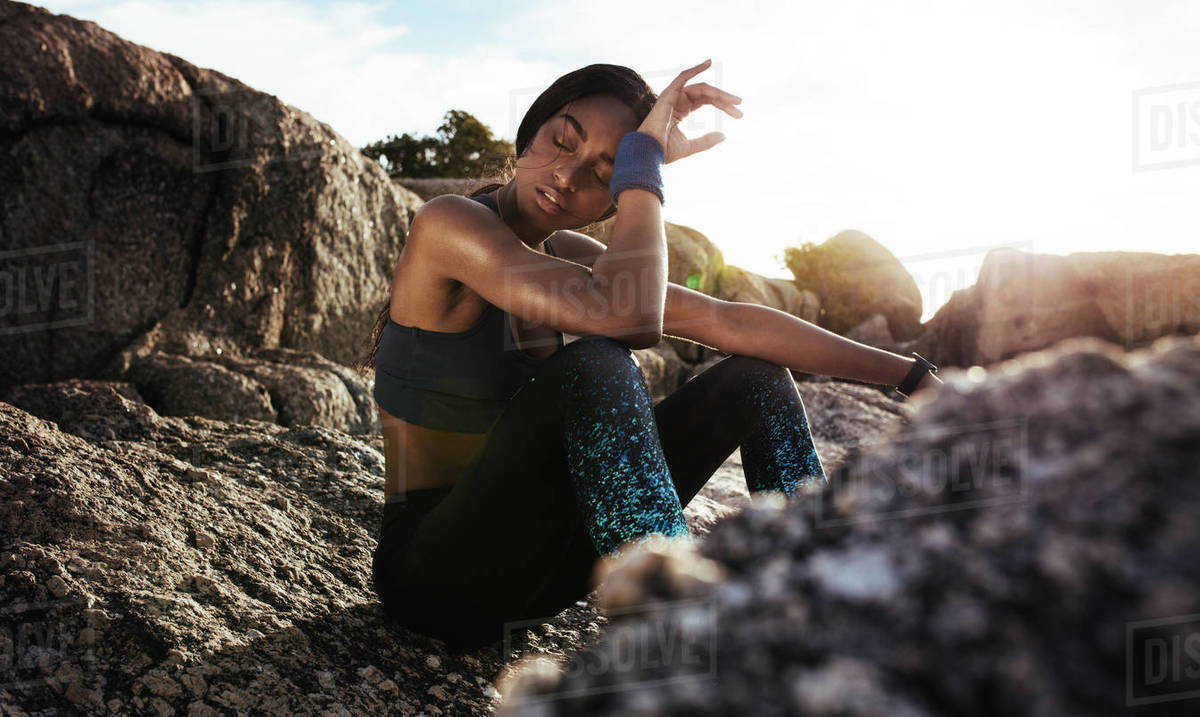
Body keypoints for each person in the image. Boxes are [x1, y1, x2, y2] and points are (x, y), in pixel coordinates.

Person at [355, 59, 942, 649]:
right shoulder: (449, 225)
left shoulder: (572, 255)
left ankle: (824, 607)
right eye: (562, 141)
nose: (565, 176)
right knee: (598, 366)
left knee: (756, 381)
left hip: (540, 577)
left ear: (611, 202)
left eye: (602, 171)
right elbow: (632, 319)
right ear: (529, 132)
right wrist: (642, 166)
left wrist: (912, 375)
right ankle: (685, 640)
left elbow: (727, 320)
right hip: (434, 578)